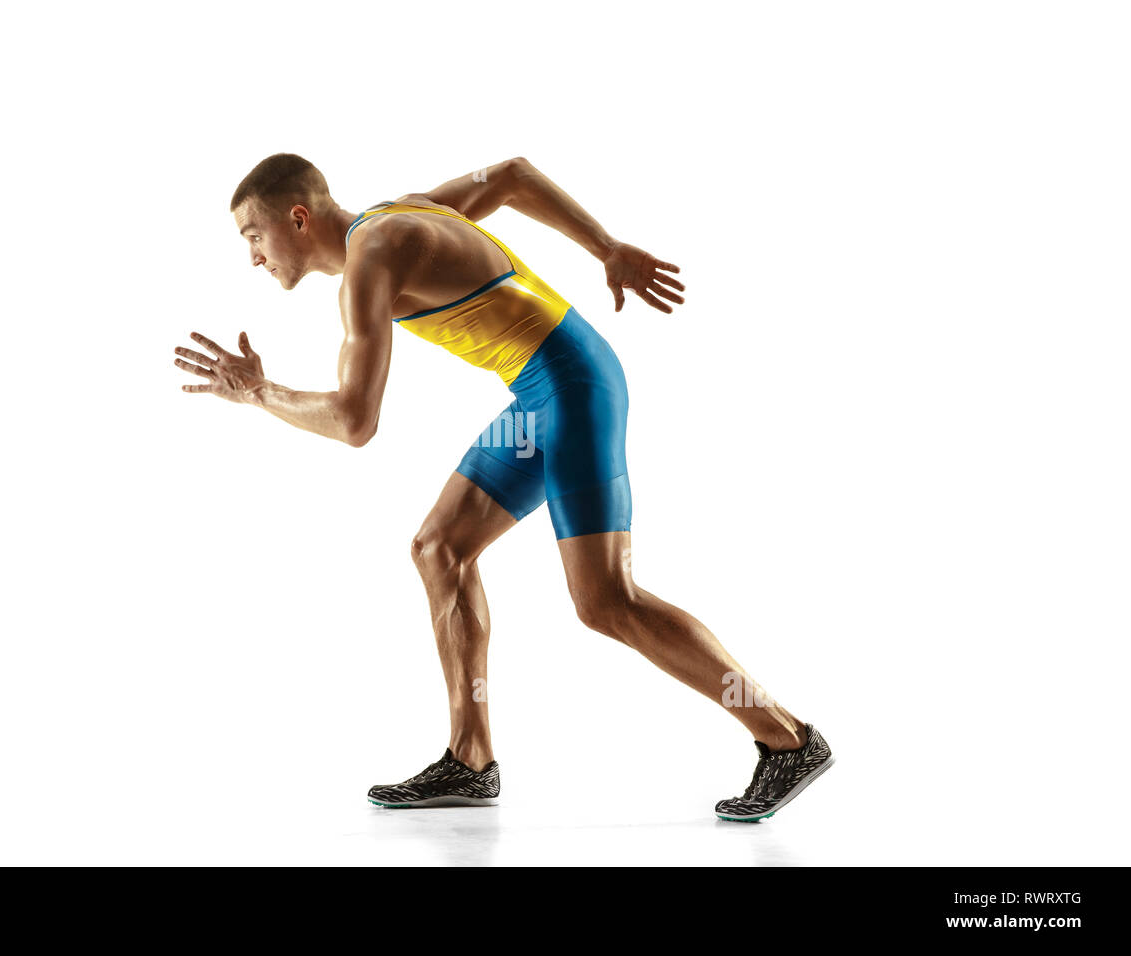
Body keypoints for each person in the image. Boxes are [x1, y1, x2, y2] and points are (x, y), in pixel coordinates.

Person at [173, 154, 834, 821]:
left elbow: (354, 421)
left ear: (298, 216)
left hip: (574, 388)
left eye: (252, 235)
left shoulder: (374, 255)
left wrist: (258, 392)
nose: (254, 256)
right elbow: (511, 175)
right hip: (543, 395)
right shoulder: (397, 214)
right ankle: (470, 757)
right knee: (440, 548)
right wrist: (605, 248)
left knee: (606, 600)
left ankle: (788, 739)